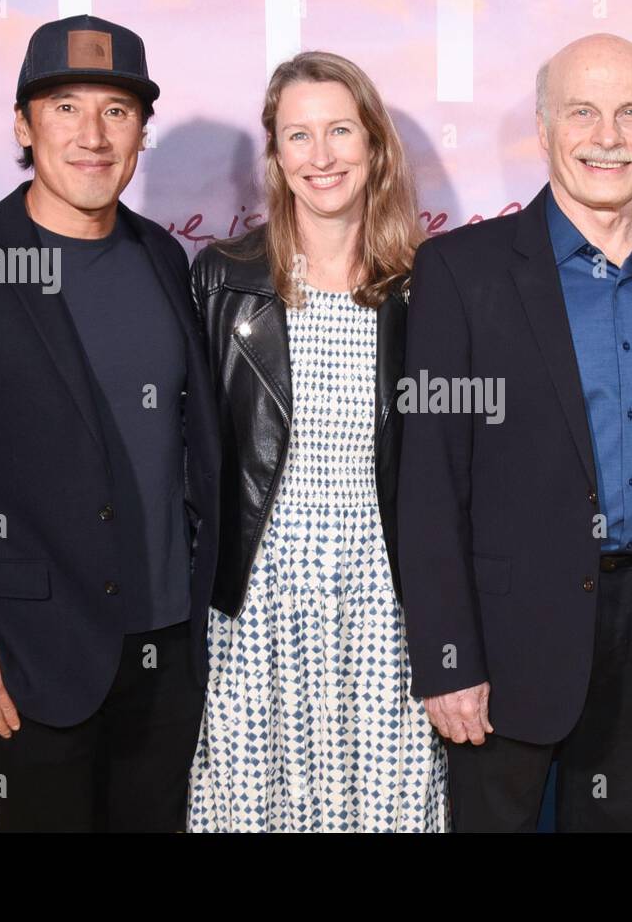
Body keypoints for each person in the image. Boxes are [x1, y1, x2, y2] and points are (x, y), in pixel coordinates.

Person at [0, 15, 221, 831]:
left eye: (118, 111)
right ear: (23, 125)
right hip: (28, 656)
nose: (93, 135)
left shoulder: (164, 258)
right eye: (65, 106)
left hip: (168, 652)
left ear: (140, 132)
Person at [398, 33, 632, 832]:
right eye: (582, 112)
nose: (607, 136)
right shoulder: (460, 270)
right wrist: (448, 657)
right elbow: (429, 484)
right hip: (507, 633)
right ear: (545, 126)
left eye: (630, 112)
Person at [185, 52, 448, 832]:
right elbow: (191, 457)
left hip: (385, 596)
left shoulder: (427, 284)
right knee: (254, 805)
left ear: (375, 145)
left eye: (340, 130)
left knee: (389, 806)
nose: (322, 156)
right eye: (298, 135)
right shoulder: (224, 278)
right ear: (275, 153)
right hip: (258, 597)